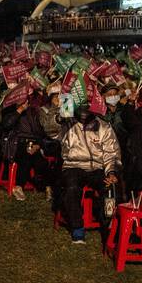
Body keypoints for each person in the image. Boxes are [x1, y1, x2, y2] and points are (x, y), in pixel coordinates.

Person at [58, 103, 121, 245]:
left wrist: (111, 171)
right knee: (72, 188)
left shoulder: (104, 126)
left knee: (109, 188)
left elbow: (112, 152)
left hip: (97, 168)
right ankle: (77, 227)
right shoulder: (68, 124)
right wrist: (60, 115)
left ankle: (108, 224)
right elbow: (52, 130)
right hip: (73, 165)